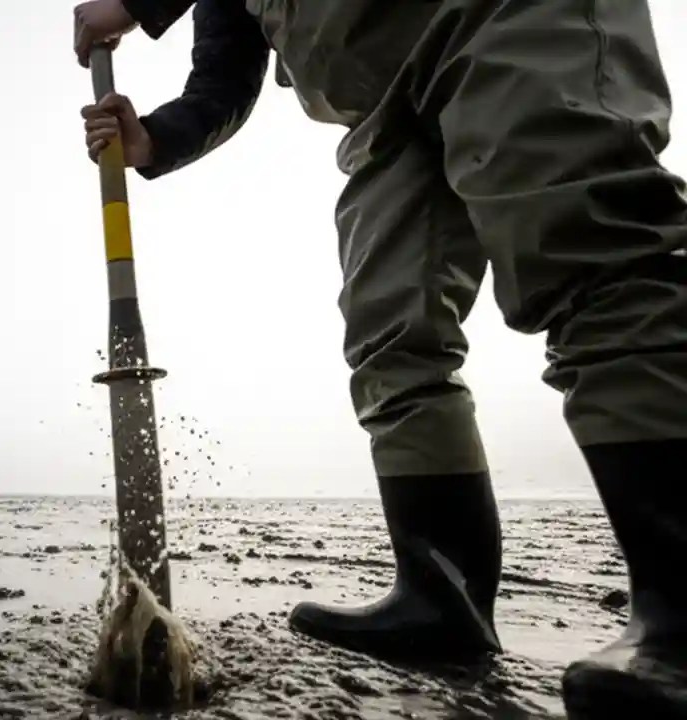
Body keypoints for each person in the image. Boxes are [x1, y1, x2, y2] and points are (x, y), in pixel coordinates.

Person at [73, 0, 687, 716]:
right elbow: (222, 82)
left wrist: (136, 7)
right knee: (391, 335)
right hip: (385, 117)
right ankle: (439, 597)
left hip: (498, 15)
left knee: (589, 248)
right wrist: (153, 139)